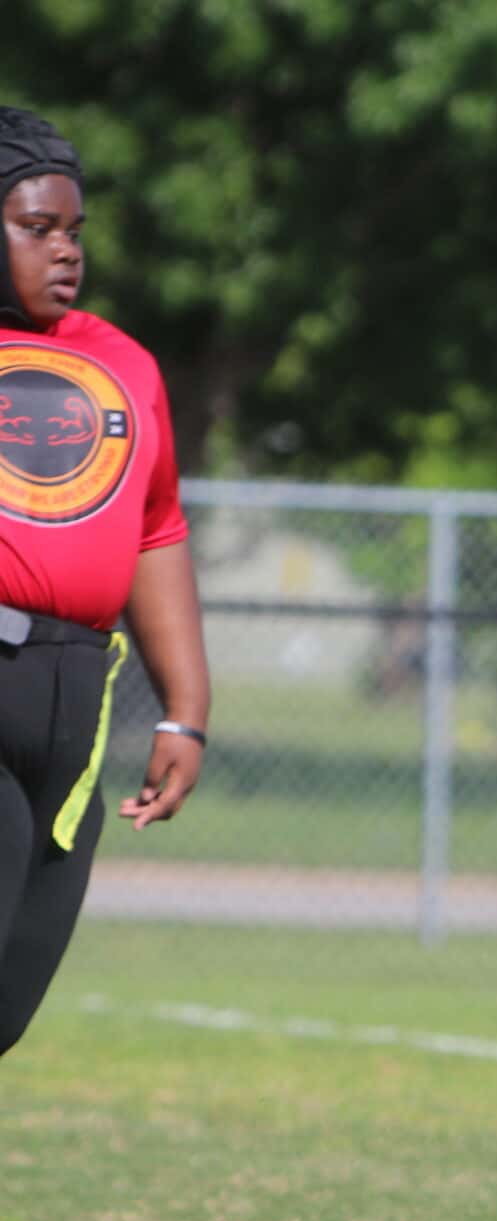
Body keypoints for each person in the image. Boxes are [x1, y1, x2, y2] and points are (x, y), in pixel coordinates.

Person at [0, 108, 209, 1055]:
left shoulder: (121, 360)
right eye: (35, 228)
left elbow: (157, 528)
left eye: (74, 230)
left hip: (76, 701)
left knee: (9, 1005)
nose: (65, 251)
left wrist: (185, 712)